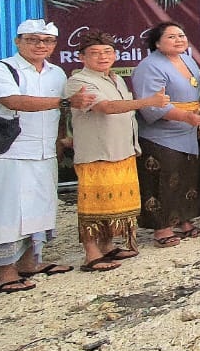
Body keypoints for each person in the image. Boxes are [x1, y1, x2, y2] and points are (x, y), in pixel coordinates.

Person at [0, 19, 82, 293]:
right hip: (7, 153)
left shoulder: (56, 73)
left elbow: (59, 113)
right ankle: (5, 273)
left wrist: (60, 140)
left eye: (46, 41)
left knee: (40, 207)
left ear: (54, 45)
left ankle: (30, 263)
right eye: (32, 39)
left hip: (43, 151)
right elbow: (13, 101)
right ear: (17, 41)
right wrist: (65, 102)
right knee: (7, 211)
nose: (40, 45)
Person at [65, 30, 167, 267]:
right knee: (94, 204)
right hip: (97, 153)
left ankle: (108, 246)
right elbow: (107, 107)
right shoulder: (79, 81)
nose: (102, 57)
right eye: (95, 53)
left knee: (114, 203)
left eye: (107, 52)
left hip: (122, 149)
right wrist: (148, 102)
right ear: (81, 57)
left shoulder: (116, 78)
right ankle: (91, 254)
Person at [132, 21, 200, 247]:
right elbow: (151, 105)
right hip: (161, 135)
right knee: (163, 180)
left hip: (190, 129)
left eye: (182, 36)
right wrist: (185, 116)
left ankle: (184, 219)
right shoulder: (150, 66)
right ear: (157, 42)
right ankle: (162, 228)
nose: (179, 40)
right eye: (172, 37)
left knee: (187, 176)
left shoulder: (187, 60)